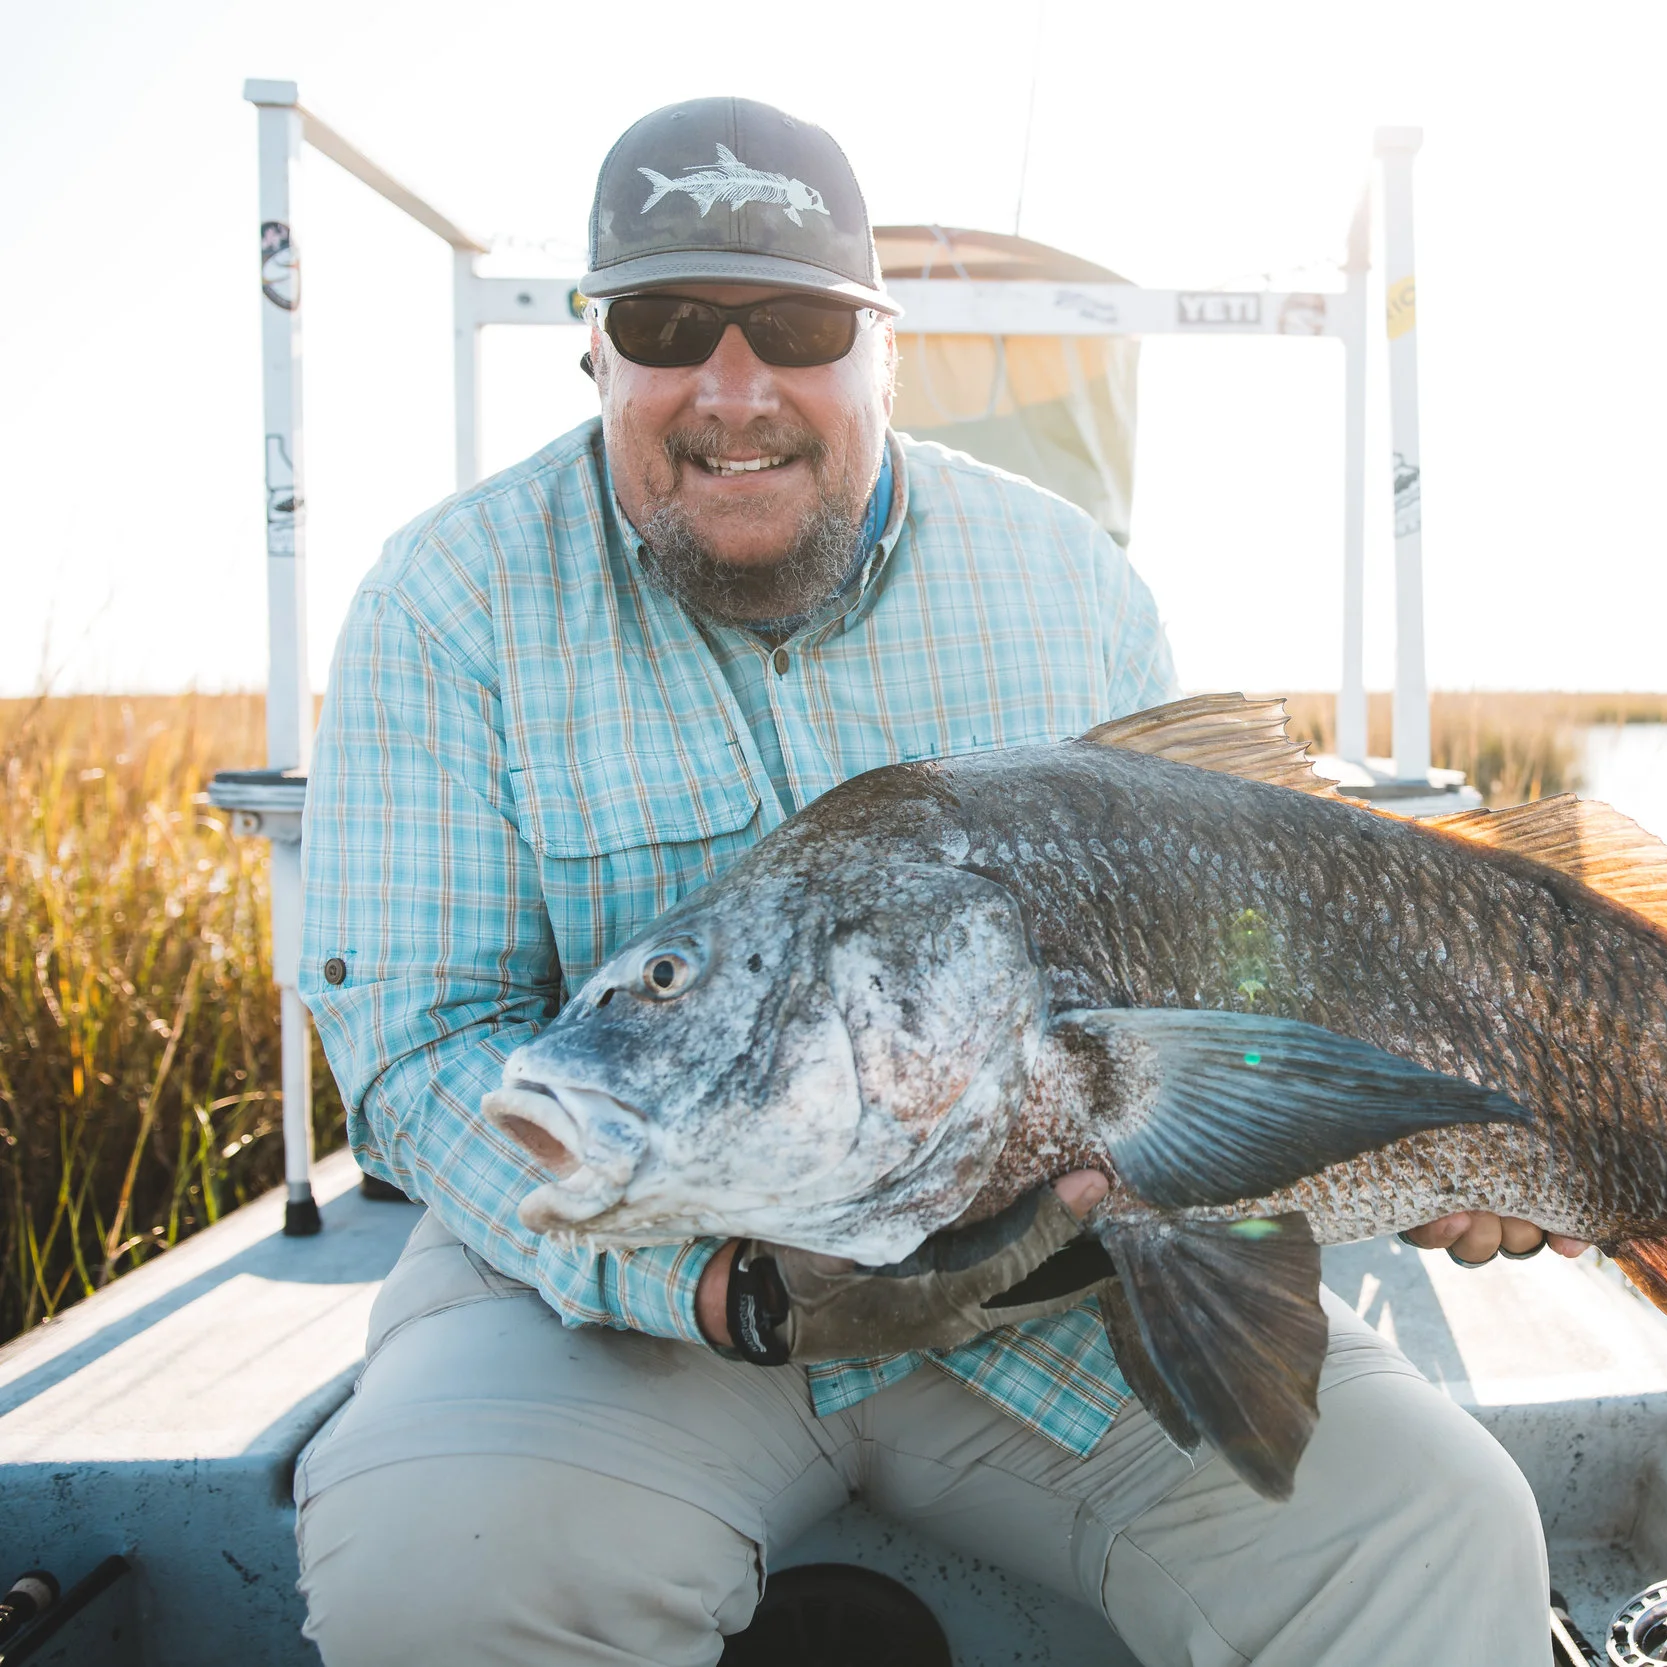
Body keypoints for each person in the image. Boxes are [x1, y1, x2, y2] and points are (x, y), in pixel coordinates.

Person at [295, 96, 1564, 1667]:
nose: (734, 385)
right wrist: (721, 1286)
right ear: (598, 353)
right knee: (437, 1571)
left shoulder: (1074, 586)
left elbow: (1220, 990)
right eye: (670, 320)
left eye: (801, 323)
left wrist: (1431, 1129)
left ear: (883, 350)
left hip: (1059, 1298)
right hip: (633, 1294)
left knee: (1436, 1531)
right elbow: (423, 1049)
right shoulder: (448, 603)